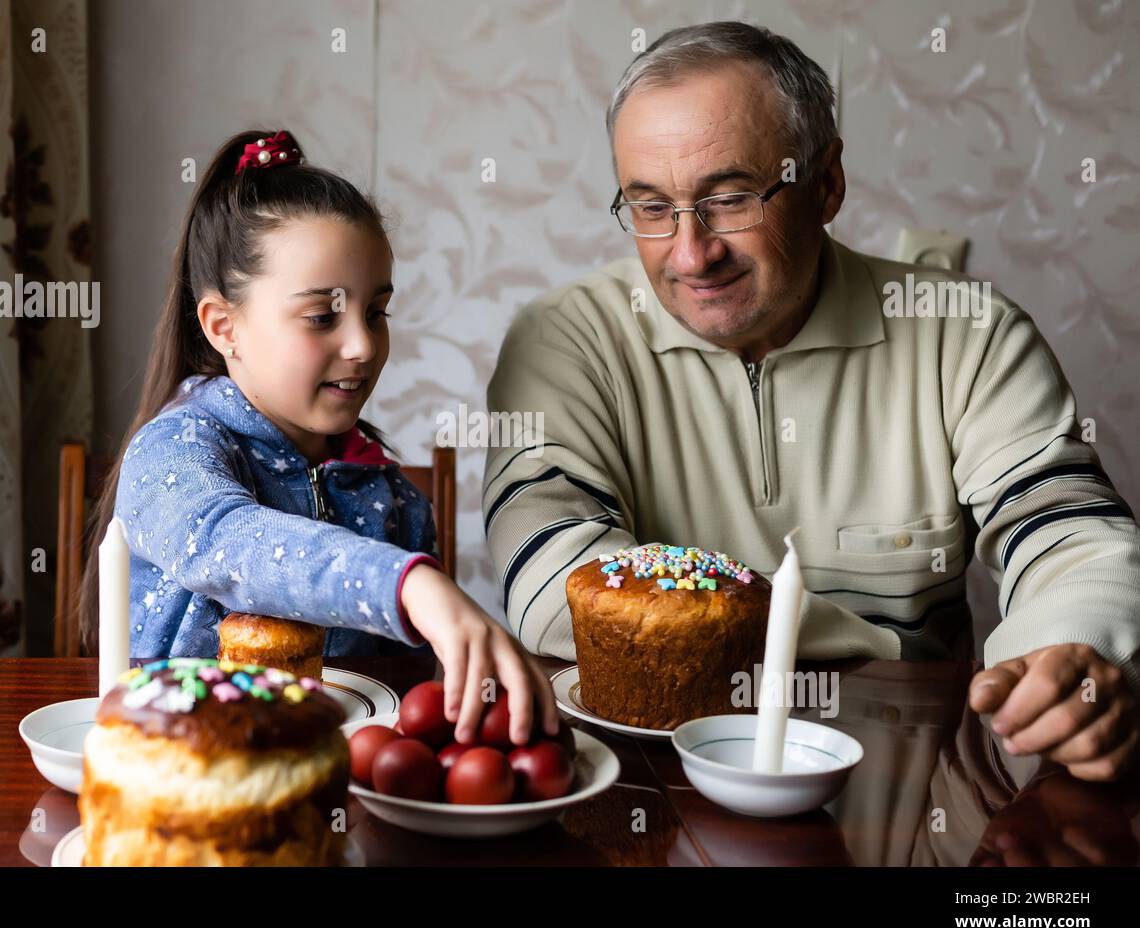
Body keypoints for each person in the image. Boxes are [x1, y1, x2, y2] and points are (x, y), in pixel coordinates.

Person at [483, 23, 1138, 779]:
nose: (692, 253)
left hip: (910, 785)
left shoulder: (971, 335)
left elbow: (1074, 541)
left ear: (826, 184)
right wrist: (871, 647)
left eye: (729, 198)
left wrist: (1059, 661)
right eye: (652, 207)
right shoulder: (561, 339)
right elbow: (550, 587)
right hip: (650, 778)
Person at [81, 130, 557, 745]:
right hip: (183, 772)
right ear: (224, 326)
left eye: (376, 312)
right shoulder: (172, 452)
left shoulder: (395, 502)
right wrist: (409, 583)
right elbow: (224, 542)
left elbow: (403, 710)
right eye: (322, 317)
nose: (362, 346)